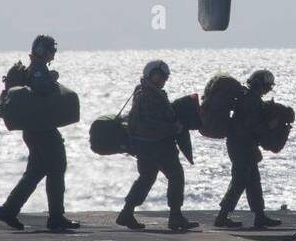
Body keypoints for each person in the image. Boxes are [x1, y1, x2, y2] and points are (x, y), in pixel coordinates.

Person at [0, 35, 80, 232]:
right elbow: (42, 89)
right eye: (51, 50)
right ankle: (56, 217)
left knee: (35, 172)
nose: (53, 53)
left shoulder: (32, 68)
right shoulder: (39, 69)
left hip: (34, 130)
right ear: (43, 51)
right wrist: (52, 78)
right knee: (57, 169)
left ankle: (9, 210)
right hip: (42, 130)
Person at [117, 60, 198, 231]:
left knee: (146, 178)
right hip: (157, 145)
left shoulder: (144, 92)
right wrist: (174, 127)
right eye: (159, 76)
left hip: (144, 145)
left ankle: (126, 213)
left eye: (164, 77)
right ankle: (175, 217)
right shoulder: (149, 97)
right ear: (150, 75)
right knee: (176, 175)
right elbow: (153, 125)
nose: (162, 80)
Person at [214, 69, 281, 229]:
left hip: (243, 145)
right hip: (241, 146)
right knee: (239, 181)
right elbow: (252, 125)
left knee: (253, 182)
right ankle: (222, 216)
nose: (268, 90)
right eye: (267, 86)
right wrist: (269, 126)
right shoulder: (251, 100)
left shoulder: (250, 98)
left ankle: (260, 216)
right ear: (260, 85)